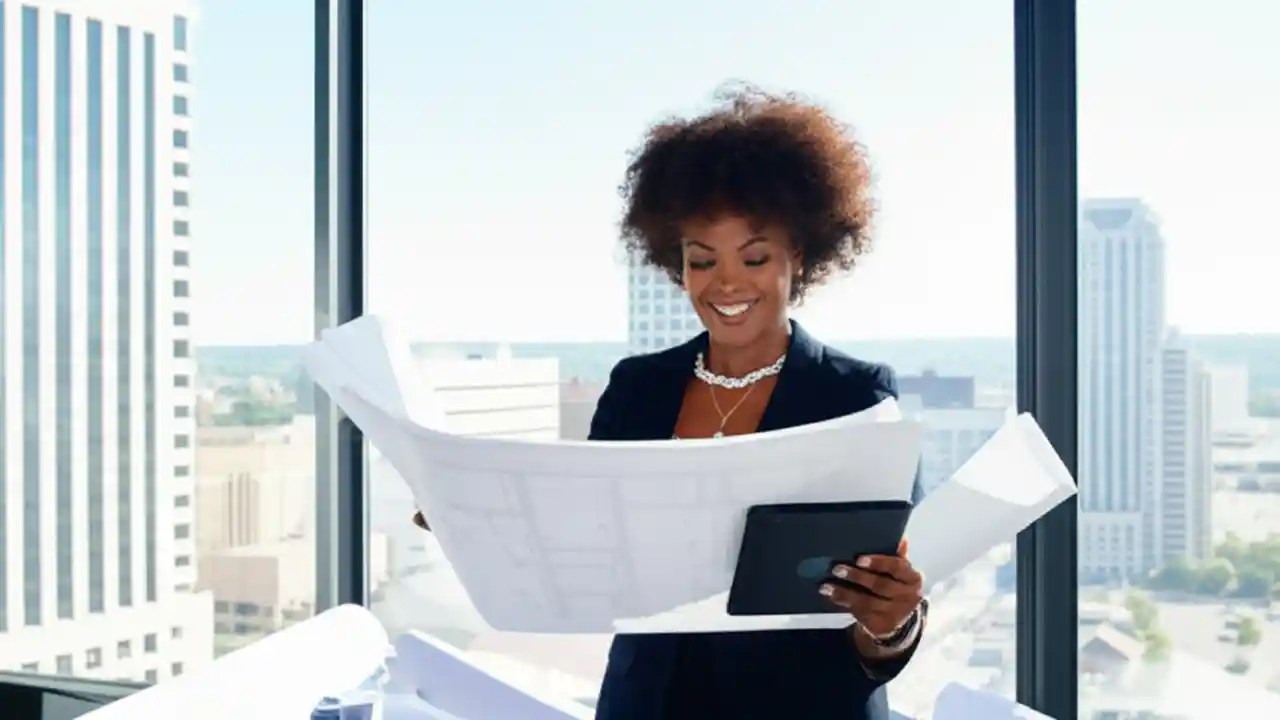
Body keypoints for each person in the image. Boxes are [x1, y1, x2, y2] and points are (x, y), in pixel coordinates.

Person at [588, 86, 928, 719]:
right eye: (701, 260)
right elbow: (588, 546)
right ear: (677, 263)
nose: (726, 282)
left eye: (754, 256)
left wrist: (890, 624)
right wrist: (478, 520)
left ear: (797, 254)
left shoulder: (855, 396)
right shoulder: (636, 390)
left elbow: (887, 601)